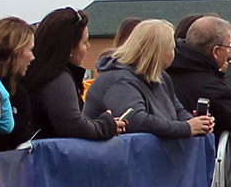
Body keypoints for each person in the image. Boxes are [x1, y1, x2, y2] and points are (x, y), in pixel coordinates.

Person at [86, 19, 215, 139]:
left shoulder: (161, 76)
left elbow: (177, 111)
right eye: (171, 48)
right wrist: (186, 127)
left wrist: (198, 123)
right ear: (158, 53)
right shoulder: (119, 79)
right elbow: (136, 121)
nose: (173, 53)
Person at [26, 8, 119, 141]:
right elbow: (72, 126)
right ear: (69, 47)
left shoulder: (38, 72)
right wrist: (106, 126)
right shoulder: (58, 80)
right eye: (84, 42)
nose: (88, 46)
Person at [0, 16, 39, 149]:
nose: (33, 57)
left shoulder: (18, 92)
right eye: (30, 50)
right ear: (15, 50)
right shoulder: (14, 93)